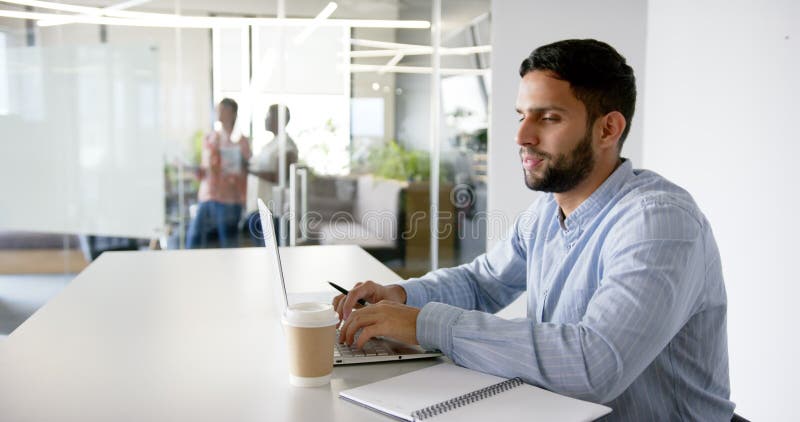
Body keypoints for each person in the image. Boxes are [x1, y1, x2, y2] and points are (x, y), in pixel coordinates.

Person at [333, 39, 733, 420]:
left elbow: (593, 365)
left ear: (608, 129)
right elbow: (483, 283)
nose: (522, 136)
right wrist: (401, 296)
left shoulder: (658, 221)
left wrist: (425, 323)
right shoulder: (548, 209)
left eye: (549, 117)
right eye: (522, 116)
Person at [186, 98, 252, 248]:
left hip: (229, 200)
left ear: (232, 113)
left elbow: (246, 171)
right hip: (207, 196)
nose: (218, 112)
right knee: (194, 241)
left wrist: (238, 163)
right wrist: (196, 171)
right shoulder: (210, 138)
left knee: (228, 245)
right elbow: (204, 170)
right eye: (217, 109)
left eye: (222, 109)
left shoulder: (241, 142)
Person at [248, 104, 298, 245]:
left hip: (272, 210)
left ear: (278, 119)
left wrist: (249, 170)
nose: (265, 119)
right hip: (258, 207)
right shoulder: (272, 144)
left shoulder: (287, 145)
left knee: (270, 257)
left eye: (268, 115)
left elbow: (279, 177)